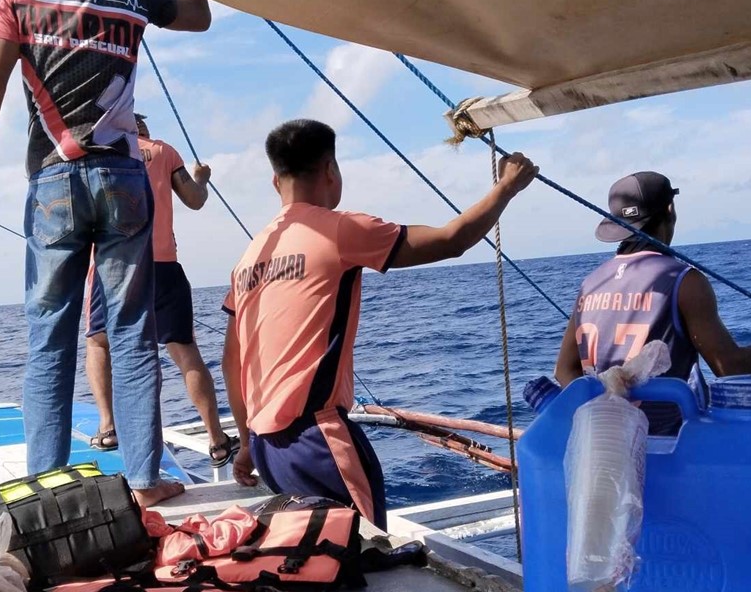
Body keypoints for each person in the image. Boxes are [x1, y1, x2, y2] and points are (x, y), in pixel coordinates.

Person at [0, 0, 211, 506]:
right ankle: (144, 480)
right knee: (134, 332)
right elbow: (199, 16)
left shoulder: (16, 1)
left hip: (56, 183)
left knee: (50, 335)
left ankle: (44, 484)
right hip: (124, 177)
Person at [222, 119, 538, 527]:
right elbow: (450, 240)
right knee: (361, 553)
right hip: (318, 439)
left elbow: (233, 359)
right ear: (331, 171)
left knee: (315, 559)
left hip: (267, 445)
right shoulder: (340, 229)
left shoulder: (248, 258)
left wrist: (247, 440)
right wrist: (506, 187)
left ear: (274, 181)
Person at [553, 171, 751, 434]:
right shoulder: (684, 281)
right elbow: (731, 368)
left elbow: (564, 370)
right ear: (670, 208)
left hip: (604, 445)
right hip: (669, 447)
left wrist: (601, 422)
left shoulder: (590, 283)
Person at [82, 114, 236, 466]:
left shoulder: (97, 154)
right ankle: (216, 440)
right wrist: (202, 178)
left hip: (111, 266)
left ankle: (108, 426)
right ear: (143, 129)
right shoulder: (164, 152)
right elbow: (195, 200)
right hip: (164, 264)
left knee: (99, 342)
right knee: (184, 349)